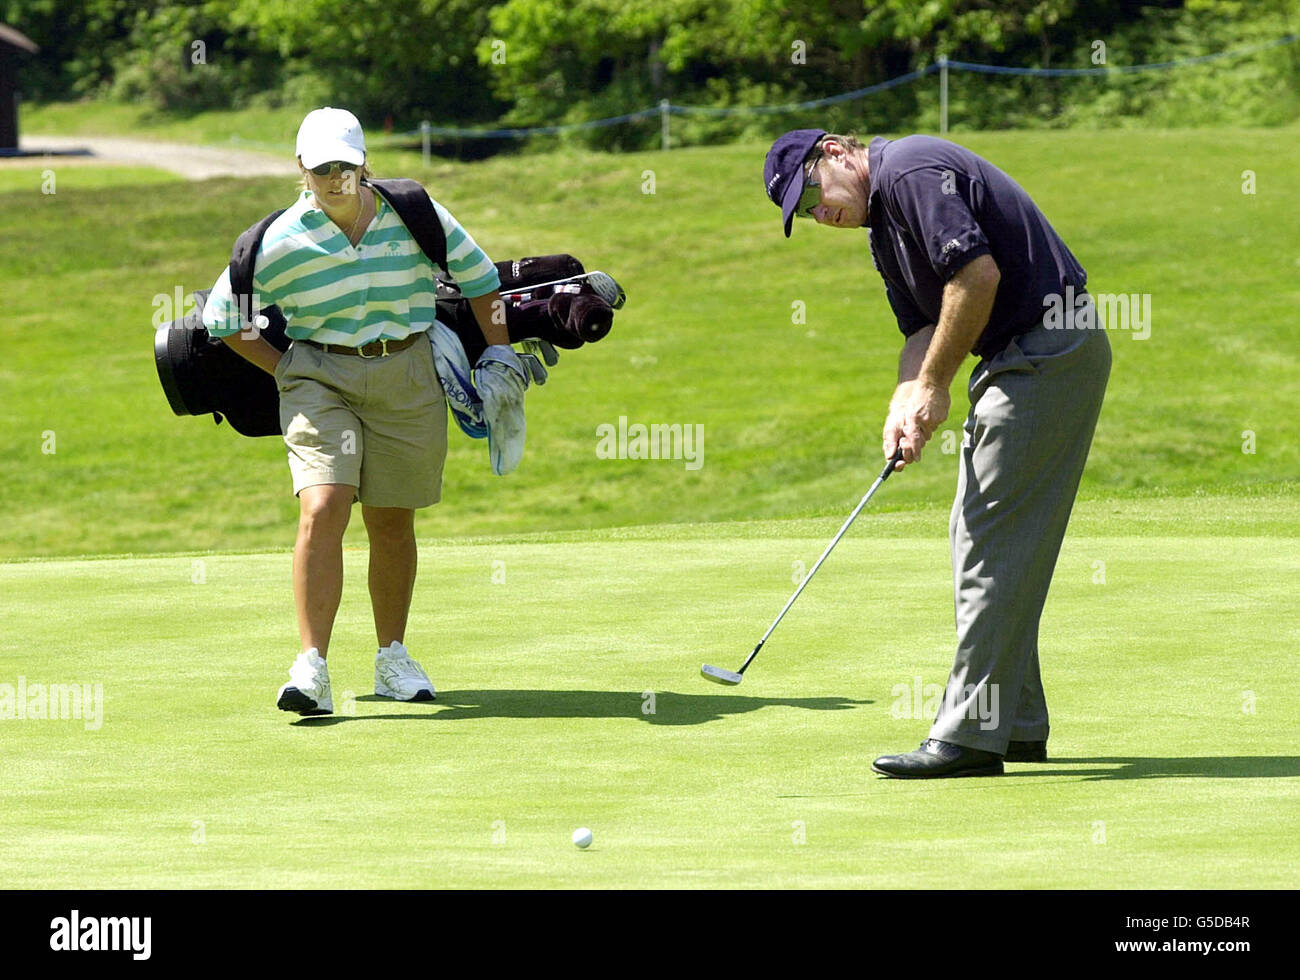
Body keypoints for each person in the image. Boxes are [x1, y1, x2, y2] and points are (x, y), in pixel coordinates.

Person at [763, 129, 1110, 777]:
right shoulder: (882, 228)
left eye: (812, 196)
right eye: (806, 215)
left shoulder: (910, 170)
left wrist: (935, 387)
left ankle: (971, 735)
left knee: (987, 538)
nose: (820, 214)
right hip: (1024, 356)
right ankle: (1015, 722)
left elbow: (976, 275)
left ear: (835, 151)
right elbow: (922, 327)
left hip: (1048, 348)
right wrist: (905, 399)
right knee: (976, 536)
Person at [203, 107, 525, 716]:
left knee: (391, 519)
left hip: (408, 372)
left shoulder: (414, 216)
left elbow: (482, 280)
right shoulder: (277, 241)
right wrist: (285, 370)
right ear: (301, 169)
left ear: (364, 165)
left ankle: (392, 658)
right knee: (323, 505)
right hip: (319, 378)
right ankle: (311, 668)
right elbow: (223, 319)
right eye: (322, 167)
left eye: (345, 166)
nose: (335, 178)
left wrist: (501, 354)